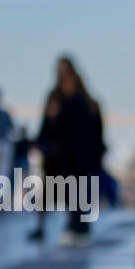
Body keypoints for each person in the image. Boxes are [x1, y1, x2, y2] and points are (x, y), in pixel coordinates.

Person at [35, 56, 105, 245]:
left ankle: (77, 226)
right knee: (55, 192)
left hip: (77, 157)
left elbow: (94, 129)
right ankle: (46, 227)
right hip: (60, 156)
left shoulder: (83, 100)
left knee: (76, 192)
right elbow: (47, 126)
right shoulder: (56, 98)